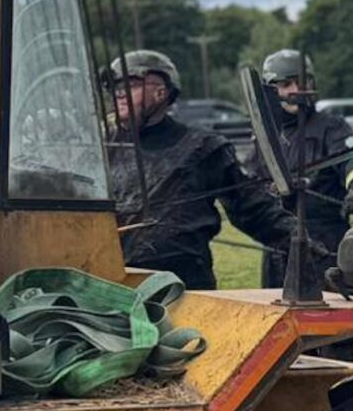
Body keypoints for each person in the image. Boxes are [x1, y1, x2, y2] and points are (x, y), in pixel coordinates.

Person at [105, 49, 298, 291]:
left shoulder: (202, 148)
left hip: (185, 291)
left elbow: (252, 209)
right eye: (115, 87)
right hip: (110, 291)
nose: (120, 94)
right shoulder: (97, 151)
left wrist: (303, 244)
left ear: (161, 91)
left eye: (131, 84)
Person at [252, 49, 353, 290]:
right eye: (287, 84)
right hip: (277, 246)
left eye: (302, 82)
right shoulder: (264, 136)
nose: (296, 90)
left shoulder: (332, 127)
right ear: (270, 90)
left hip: (327, 243)